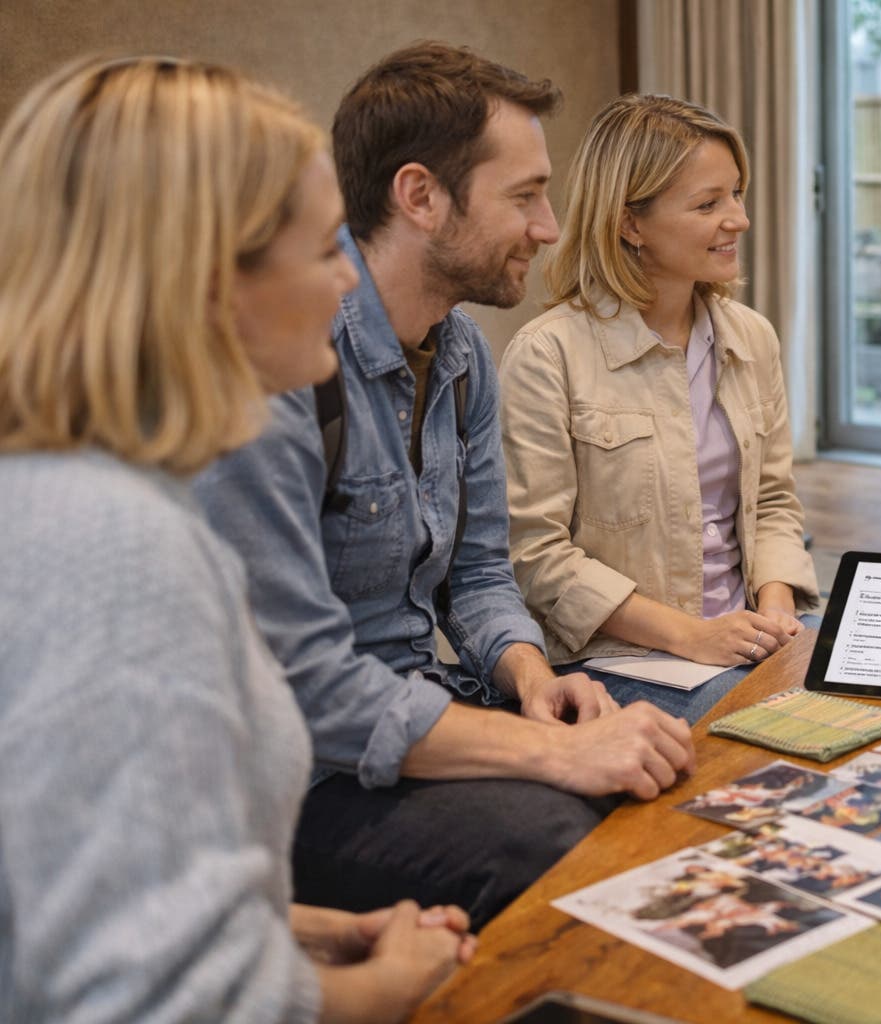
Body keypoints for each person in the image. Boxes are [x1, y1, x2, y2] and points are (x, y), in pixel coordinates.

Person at [0, 55, 472, 1022]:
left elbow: (71, 891)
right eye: (321, 250)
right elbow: (164, 1002)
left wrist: (299, 931)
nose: (348, 277)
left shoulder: (75, 495)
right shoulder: (116, 547)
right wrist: (382, 988)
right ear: (211, 284)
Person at [193, 43, 695, 930]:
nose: (548, 227)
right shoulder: (275, 378)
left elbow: (481, 573)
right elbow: (306, 688)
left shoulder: (463, 357)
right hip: (309, 771)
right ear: (420, 196)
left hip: (427, 699)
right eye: (525, 195)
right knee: (560, 841)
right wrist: (545, 754)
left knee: (678, 758)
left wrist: (533, 679)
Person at [500, 94, 818, 723]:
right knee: (786, 728)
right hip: (622, 657)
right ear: (629, 223)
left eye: (735, 194)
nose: (739, 220)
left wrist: (777, 608)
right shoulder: (546, 355)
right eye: (708, 204)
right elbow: (537, 556)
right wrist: (693, 636)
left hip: (748, 631)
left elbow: (775, 502)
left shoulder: (751, 338)